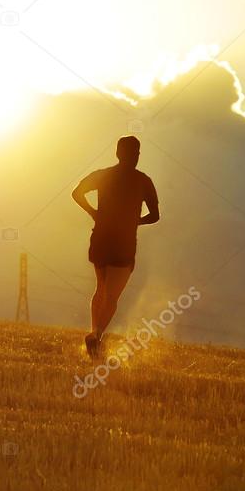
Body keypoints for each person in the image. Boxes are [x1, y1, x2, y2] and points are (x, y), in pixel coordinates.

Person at [72, 136, 159, 358]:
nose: (136, 156)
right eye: (135, 153)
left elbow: (76, 193)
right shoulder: (143, 181)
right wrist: (135, 221)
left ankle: (94, 335)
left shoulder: (103, 175)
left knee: (100, 289)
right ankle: (96, 336)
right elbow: (155, 215)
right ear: (136, 155)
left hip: (100, 238)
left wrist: (93, 213)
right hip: (124, 243)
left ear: (117, 153)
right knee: (111, 296)